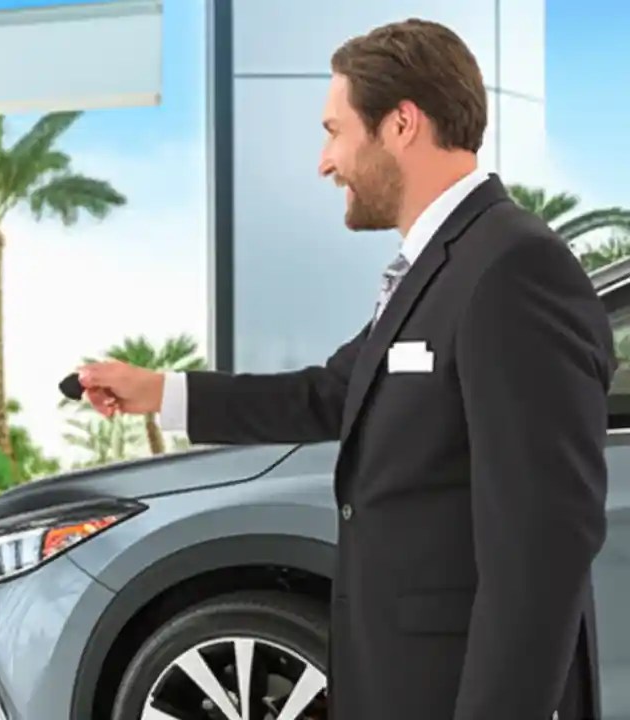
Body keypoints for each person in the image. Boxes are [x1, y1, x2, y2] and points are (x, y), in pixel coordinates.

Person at [78, 18, 613, 720]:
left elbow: (542, 546)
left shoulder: (513, 268)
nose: (325, 162)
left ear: (401, 124)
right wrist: (161, 392)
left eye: (335, 131)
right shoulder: (444, 265)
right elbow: (334, 393)